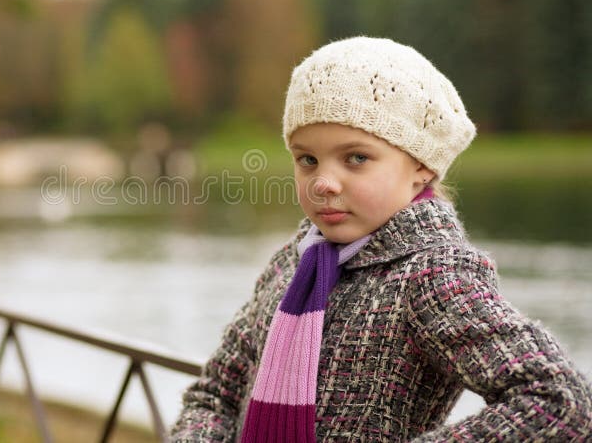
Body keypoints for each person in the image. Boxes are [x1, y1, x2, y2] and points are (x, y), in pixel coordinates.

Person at [170, 37, 592, 442]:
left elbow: (560, 401)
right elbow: (215, 394)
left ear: (421, 166)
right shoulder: (292, 263)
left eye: (356, 158)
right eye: (308, 159)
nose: (323, 183)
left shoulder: (431, 275)